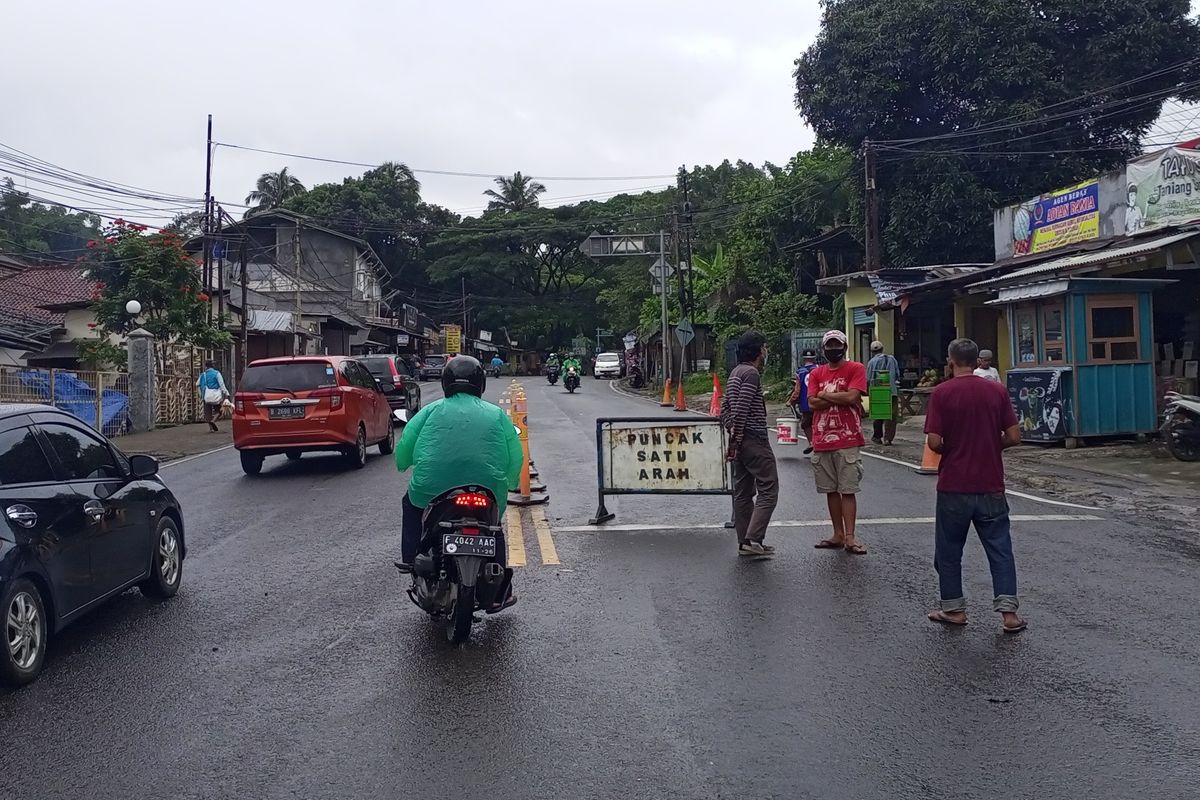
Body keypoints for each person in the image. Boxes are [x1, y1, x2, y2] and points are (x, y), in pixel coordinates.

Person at [394, 357, 523, 604]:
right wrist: (510, 483)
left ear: (445, 383)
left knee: (410, 506)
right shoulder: (496, 414)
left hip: (431, 490)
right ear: (481, 384)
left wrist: (403, 464)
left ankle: (411, 559)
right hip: (487, 490)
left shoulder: (429, 411)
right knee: (493, 528)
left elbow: (404, 450)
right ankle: (500, 591)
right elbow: (515, 455)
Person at [924, 338, 1026, 633]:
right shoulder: (997, 390)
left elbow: (934, 442)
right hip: (991, 483)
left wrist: (955, 449)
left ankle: (954, 609)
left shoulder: (942, 393)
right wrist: (991, 446)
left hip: (954, 485)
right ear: (976, 360)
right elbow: (1015, 436)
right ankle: (1009, 614)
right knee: (1000, 549)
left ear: (951, 360)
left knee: (949, 550)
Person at [809, 330, 869, 555]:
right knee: (830, 490)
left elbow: (854, 397)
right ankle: (838, 534)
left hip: (848, 438)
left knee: (848, 489)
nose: (833, 349)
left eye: (837, 345)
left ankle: (851, 537)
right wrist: (838, 396)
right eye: (829, 346)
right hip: (822, 439)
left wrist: (824, 395)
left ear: (844, 347)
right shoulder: (816, 373)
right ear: (824, 349)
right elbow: (812, 403)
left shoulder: (856, 368)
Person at [720, 330, 778, 558]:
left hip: (741, 441)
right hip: (753, 439)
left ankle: (745, 542)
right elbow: (742, 410)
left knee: (743, 492)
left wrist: (732, 435)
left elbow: (725, 409)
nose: (765, 352)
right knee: (769, 489)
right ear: (758, 351)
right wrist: (738, 437)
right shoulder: (752, 374)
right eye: (764, 347)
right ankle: (753, 538)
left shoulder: (735, 373)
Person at [866, 341, 901, 446]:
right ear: (882, 349)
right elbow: (897, 374)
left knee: (878, 414)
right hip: (891, 391)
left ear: (872, 351)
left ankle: (877, 436)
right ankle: (888, 439)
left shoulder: (871, 362)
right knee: (891, 415)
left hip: (877, 391)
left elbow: (868, 379)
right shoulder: (892, 359)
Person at [788, 349, 819, 455]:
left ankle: (812, 442)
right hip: (819, 402)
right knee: (819, 422)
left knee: (806, 424)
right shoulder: (820, 369)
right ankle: (819, 442)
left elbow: (797, 390)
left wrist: (791, 401)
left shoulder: (800, 372)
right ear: (814, 358)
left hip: (806, 404)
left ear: (804, 359)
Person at [196, 360, 229, 432]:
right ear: (213, 366)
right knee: (219, 411)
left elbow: (197, 384)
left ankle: (211, 429)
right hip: (215, 396)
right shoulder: (217, 373)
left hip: (206, 396)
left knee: (208, 412)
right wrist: (226, 393)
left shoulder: (203, 375)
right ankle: (213, 420)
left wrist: (201, 395)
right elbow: (221, 384)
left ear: (206, 366)